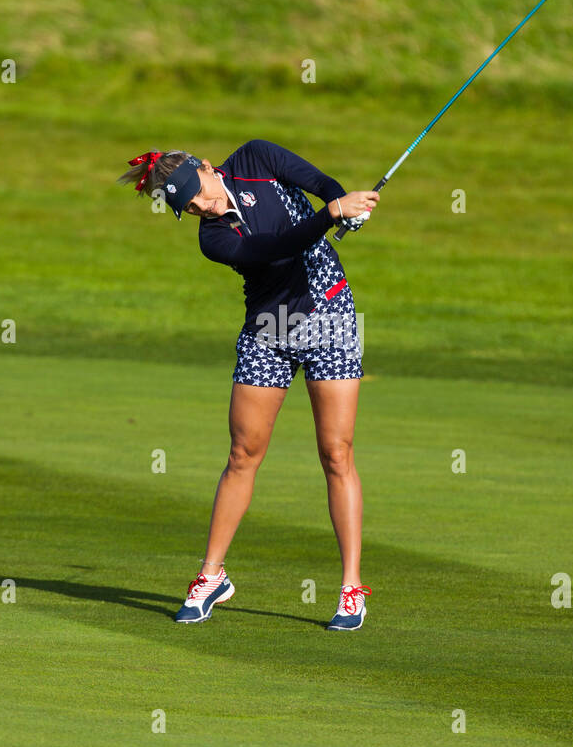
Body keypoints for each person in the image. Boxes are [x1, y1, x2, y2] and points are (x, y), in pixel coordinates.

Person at [117, 140, 380, 630]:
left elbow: (320, 183)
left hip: (330, 315)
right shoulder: (212, 239)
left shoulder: (257, 158)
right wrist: (330, 217)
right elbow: (272, 248)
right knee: (243, 453)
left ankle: (350, 589)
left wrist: (343, 207)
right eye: (187, 207)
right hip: (269, 328)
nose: (199, 207)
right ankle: (210, 576)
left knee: (336, 453)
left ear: (208, 168)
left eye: (197, 194)